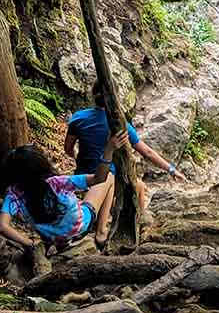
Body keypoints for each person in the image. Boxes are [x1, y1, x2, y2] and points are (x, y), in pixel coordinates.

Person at [64, 81, 185, 228]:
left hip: (84, 178)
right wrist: (172, 170)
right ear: (114, 97)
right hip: (108, 180)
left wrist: (78, 158)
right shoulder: (120, 126)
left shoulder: (78, 118)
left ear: (93, 96)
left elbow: (68, 149)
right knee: (139, 187)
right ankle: (137, 224)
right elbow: (147, 152)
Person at [0, 131, 127, 251]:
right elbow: (99, 178)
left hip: (53, 239)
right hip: (80, 227)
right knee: (109, 176)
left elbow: (3, 226)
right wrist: (109, 149)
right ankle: (101, 232)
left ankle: (65, 237)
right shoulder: (57, 183)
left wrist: (29, 243)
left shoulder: (13, 195)